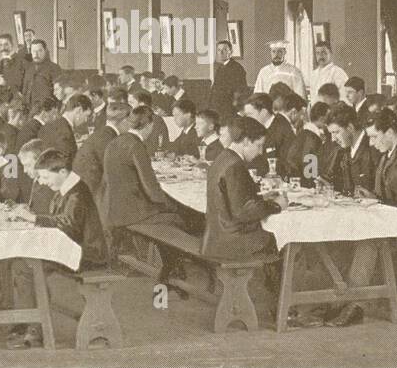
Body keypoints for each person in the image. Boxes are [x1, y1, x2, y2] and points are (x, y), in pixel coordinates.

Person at [8, 149, 109, 349]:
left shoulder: (77, 193)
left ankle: (35, 327)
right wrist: (33, 215)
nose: (43, 182)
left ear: (63, 172)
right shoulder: (67, 190)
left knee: (26, 266)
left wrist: (34, 218)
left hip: (88, 255)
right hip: (73, 249)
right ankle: (32, 321)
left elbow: (68, 224)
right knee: (23, 263)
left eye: (46, 177)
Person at [102, 106, 201, 292]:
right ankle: (170, 272)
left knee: (174, 217)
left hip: (113, 209)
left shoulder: (115, 142)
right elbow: (152, 190)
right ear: (148, 126)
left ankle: (169, 270)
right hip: (132, 213)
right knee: (180, 218)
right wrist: (173, 206)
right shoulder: (135, 146)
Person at [202, 115, 283, 291]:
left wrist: (261, 197)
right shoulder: (235, 166)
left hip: (215, 235)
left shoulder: (223, 158)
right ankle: (282, 304)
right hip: (230, 241)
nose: (261, 152)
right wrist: (277, 205)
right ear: (246, 141)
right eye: (259, 145)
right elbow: (243, 212)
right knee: (283, 243)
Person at [73, 99, 127, 206]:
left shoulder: (104, 133)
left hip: (85, 189)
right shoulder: (110, 138)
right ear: (123, 121)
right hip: (92, 195)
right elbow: (114, 172)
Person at [325, 104, 376, 198]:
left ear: (350, 128)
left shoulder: (373, 147)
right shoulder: (344, 150)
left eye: (336, 132)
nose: (333, 139)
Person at [242, 93, 295, 176]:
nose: (247, 119)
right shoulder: (252, 128)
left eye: (250, 114)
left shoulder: (282, 129)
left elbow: (288, 164)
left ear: (264, 112)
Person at [39, 93, 90, 163]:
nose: (86, 120)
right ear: (79, 110)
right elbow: (67, 161)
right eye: (86, 115)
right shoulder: (65, 132)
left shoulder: (49, 126)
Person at [208, 40, 247, 119]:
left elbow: (240, 90)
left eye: (224, 50)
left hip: (229, 109)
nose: (221, 52)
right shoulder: (220, 68)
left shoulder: (237, 68)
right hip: (217, 107)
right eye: (219, 50)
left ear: (230, 52)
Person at [21, 39, 58, 109]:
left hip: (45, 109)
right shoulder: (29, 68)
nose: (36, 54)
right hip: (29, 109)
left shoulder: (54, 68)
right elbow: (25, 90)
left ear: (45, 51)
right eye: (33, 51)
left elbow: (58, 93)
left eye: (39, 51)